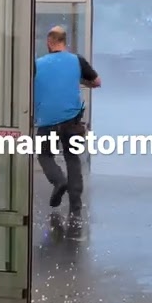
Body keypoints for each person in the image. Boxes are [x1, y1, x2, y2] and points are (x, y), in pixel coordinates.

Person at [34, 26, 100, 214]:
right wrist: (80, 81)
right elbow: (97, 81)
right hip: (72, 120)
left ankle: (58, 181)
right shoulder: (77, 61)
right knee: (72, 158)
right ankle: (75, 204)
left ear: (49, 42)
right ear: (65, 41)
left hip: (46, 120)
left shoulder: (38, 63)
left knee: (45, 155)